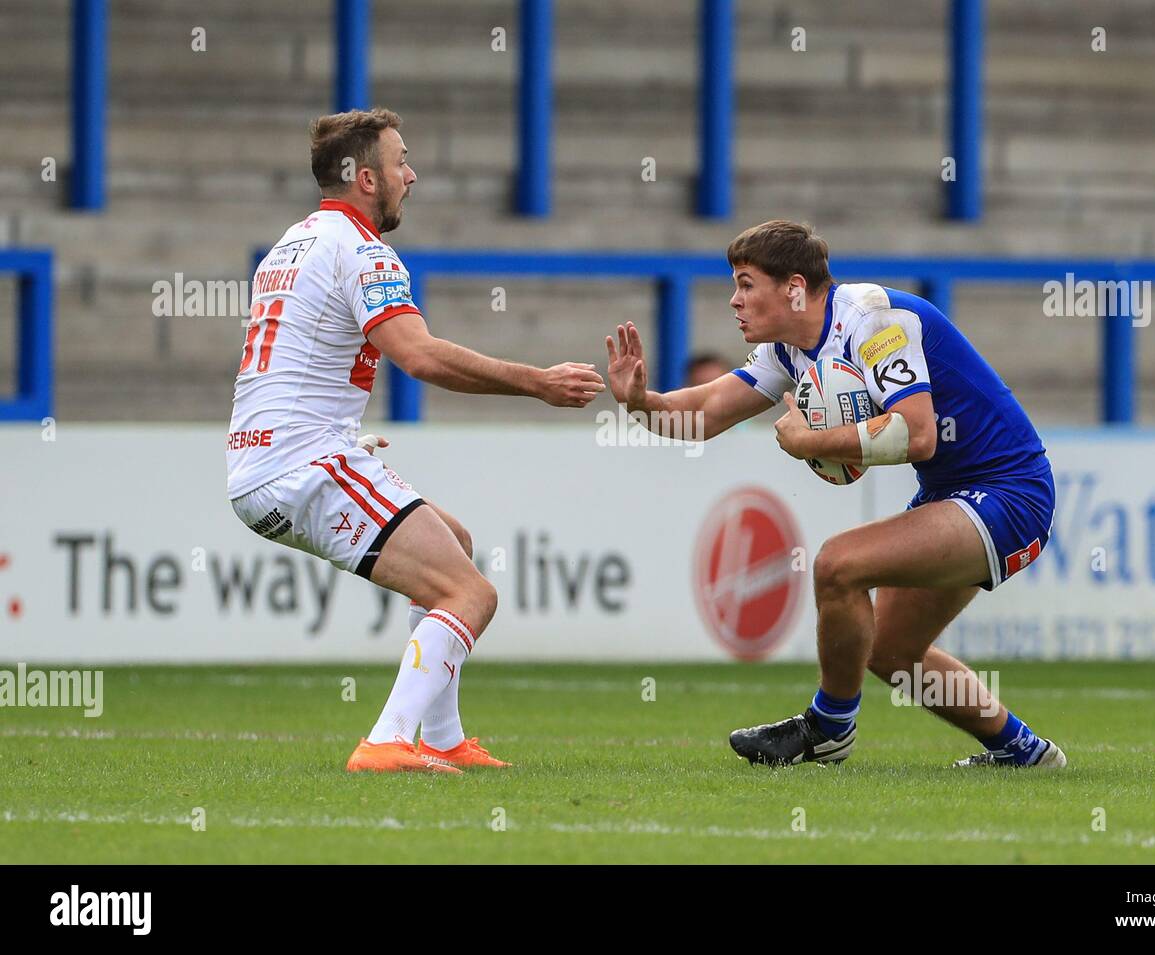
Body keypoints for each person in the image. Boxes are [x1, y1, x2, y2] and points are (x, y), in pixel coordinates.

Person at [604, 219, 1064, 770]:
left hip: (1009, 492)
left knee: (837, 564)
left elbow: (916, 433)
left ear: (794, 288)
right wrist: (641, 402)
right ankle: (1024, 752)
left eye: (746, 284)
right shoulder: (788, 349)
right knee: (889, 652)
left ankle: (828, 727)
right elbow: (703, 417)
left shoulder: (874, 320)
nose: (734, 300)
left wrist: (807, 441)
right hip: (954, 492)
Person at [227, 108, 605, 773]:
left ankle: (443, 735)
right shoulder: (363, 249)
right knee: (473, 595)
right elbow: (421, 357)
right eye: (401, 162)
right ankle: (386, 741)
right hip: (303, 463)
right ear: (365, 177)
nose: (412, 175)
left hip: (264, 463)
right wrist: (537, 382)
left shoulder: (289, 245)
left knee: (451, 546)